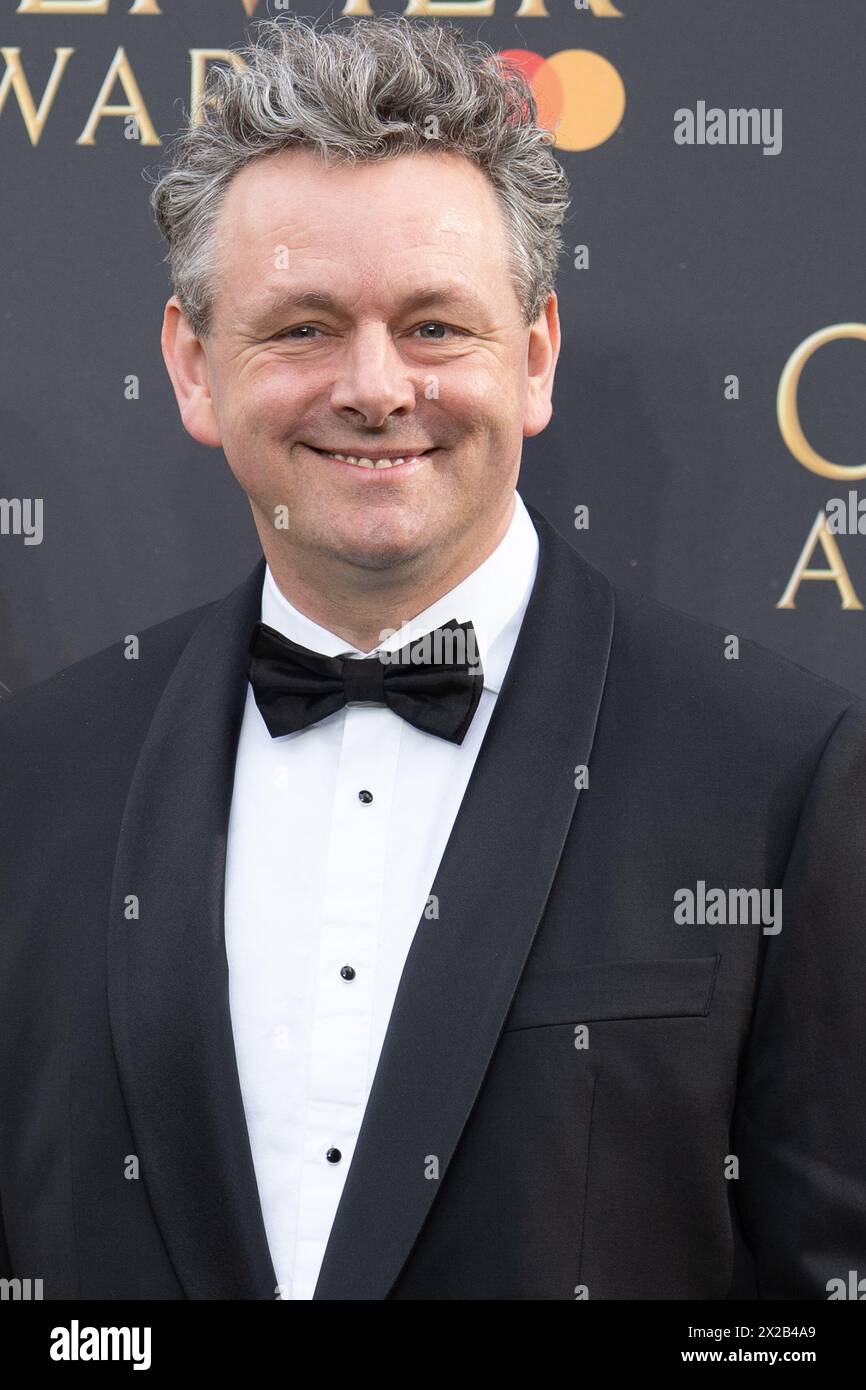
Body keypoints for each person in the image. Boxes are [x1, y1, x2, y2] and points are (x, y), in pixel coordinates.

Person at [2, 13, 865, 1302]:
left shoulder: (780, 772)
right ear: (193, 366)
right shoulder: (32, 780)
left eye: (435, 327)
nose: (373, 386)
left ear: (535, 356)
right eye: (300, 327)